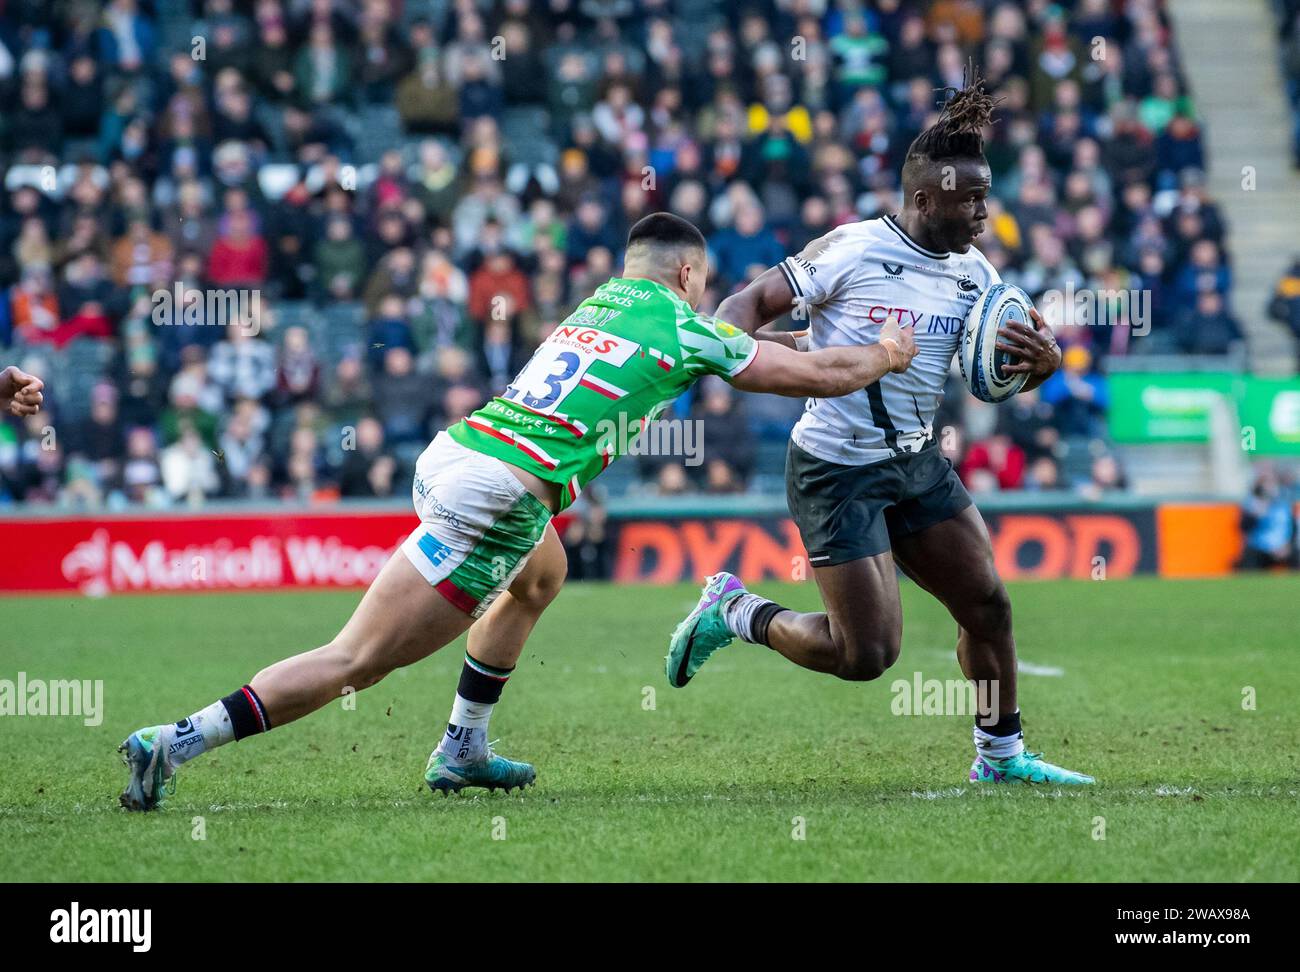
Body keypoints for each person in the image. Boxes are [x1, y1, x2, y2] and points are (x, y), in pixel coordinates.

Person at [117, 212, 918, 811]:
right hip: (496, 497)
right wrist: (883, 354)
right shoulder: (681, 323)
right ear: (684, 277)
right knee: (356, 660)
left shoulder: (601, 302)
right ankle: (175, 744)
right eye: (700, 285)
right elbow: (803, 375)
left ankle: (464, 745)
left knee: (543, 573)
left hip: (457, 457)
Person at [666, 78, 1096, 786]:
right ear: (926, 199)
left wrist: (1042, 367)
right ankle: (736, 611)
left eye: (988, 195)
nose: (986, 212)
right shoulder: (854, 250)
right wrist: (720, 357)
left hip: (918, 463)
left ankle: (1001, 758)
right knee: (866, 656)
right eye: (972, 199)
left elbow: (1002, 368)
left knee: (988, 605)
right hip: (837, 470)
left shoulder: (976, 272)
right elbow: (749, 302)